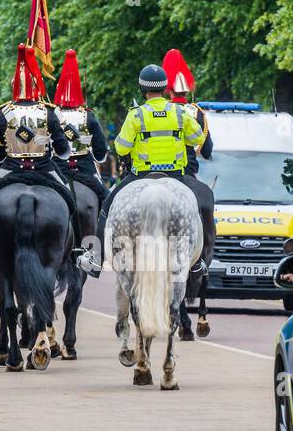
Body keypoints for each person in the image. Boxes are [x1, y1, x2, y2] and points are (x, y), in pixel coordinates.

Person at [76, 63, 215, 276]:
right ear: (165, 88)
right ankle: (196, 262)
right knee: (197, 210)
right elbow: (198, 138)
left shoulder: (136, 115)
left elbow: (121, 146)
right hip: (177, 176)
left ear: (143, 89)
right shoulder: (180, 112)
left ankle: (95, 259)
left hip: (141, 175)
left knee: (106, 205)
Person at [0, 43, 86, 261]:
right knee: (70, 197)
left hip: (10, 169)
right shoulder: (49, 113)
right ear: (37, 85)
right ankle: (77, 248)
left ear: (14, 86)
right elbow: (62, 151)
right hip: (44, 170)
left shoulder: (3, 113)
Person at [52, 48, 109, 193]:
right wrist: (99, 155)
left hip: (58, 167)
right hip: (85, 167)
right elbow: (100, 149)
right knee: (105, 198)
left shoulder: (51, 115)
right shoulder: (88, 115)